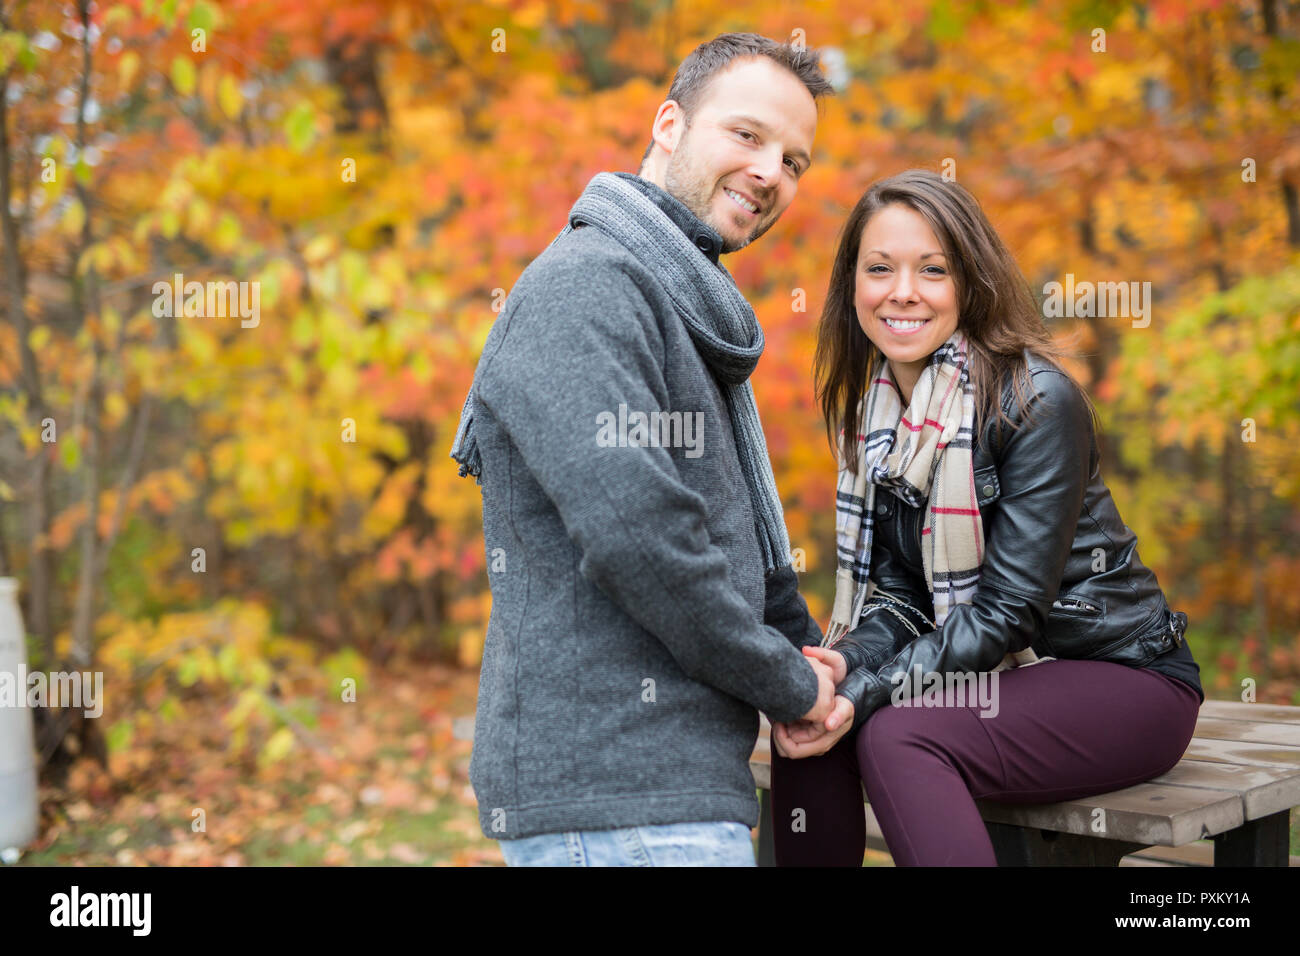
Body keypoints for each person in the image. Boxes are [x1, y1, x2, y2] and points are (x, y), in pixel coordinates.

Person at [449, 34, 838, 866]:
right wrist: (790, 685)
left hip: (669, 789)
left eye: (794, 160)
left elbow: (715, 531)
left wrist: (801, 643)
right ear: (669, 123)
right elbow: (643, 537)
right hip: (618, 801)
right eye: (747, 135)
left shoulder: (683, 306)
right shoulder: (589, 285)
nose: (772, 172)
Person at [769, 169, 1204, 867]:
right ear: (852, 285)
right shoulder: (877, 417)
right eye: (879, 268)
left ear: (970, 283)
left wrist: (869, 688)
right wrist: (843, 666)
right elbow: (900, 596)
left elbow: (1008, 613)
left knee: (895, 733)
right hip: (1000, 680)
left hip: (1123, 679)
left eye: (932, 270)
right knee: (811, 716)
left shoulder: (1034, 400)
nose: (902, 291)